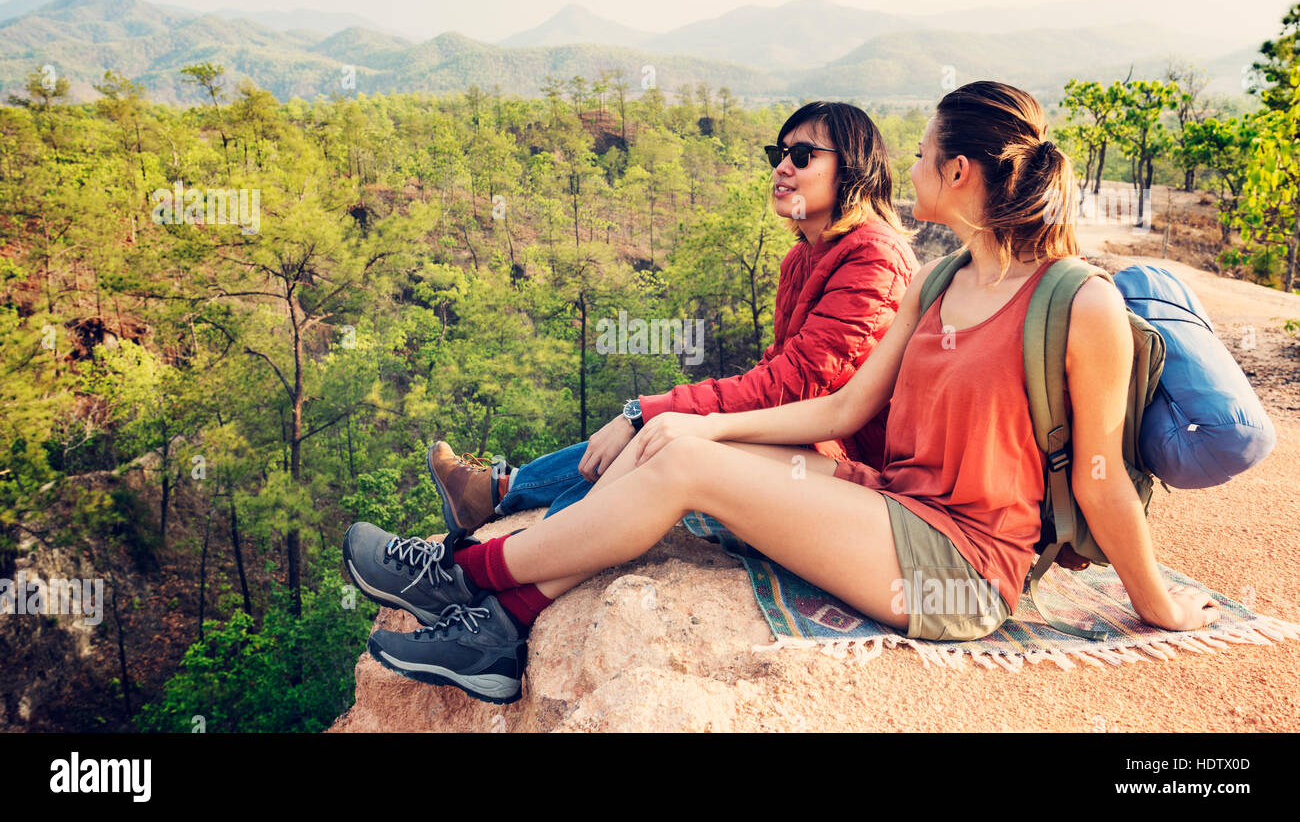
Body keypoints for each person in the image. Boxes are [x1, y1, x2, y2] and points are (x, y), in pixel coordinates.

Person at [345, 81, 1220, 705]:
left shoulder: (1080, 301)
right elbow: (839, 412)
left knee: (687, 465)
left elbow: (1101, 479)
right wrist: (676, 421)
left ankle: (460, 575)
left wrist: (1160, 606)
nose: (907, 167)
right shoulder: (943, 280)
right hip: (896, 506)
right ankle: (501, 633)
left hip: (961, 569)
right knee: (671, 449)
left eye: (921, 154)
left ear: (959, 174)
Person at [421, 101, 917, 542]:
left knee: (663, 431)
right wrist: (665, 412)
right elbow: (779, 372)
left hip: (857, 469)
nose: (782, 168)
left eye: (802, 155)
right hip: (810, 436)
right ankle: (497, 496)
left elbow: (795, 386)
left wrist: (647, 410)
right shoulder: (805, 256)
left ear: (852, 168)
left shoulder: (873, 258)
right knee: (669, 423)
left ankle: (522, 555)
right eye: (778, 154)